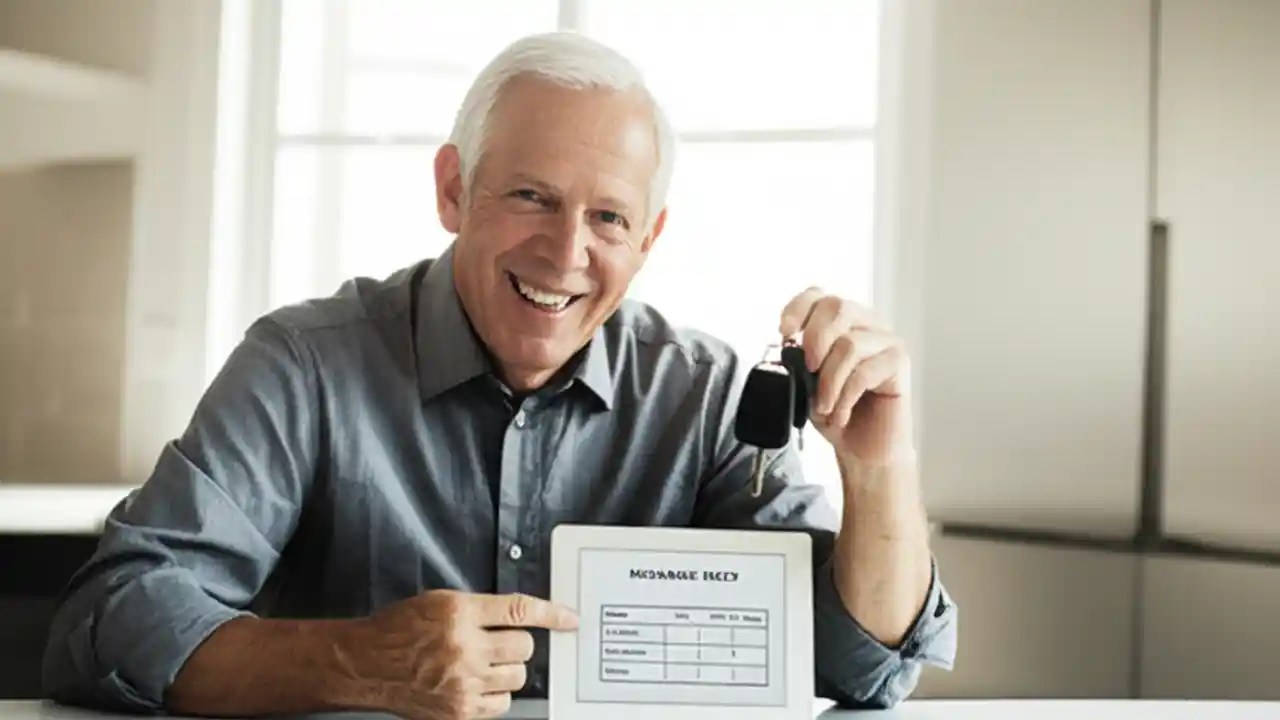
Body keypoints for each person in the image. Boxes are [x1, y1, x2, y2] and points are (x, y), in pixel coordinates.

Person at [42, 32, 956, 719]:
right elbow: (111, 623)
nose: (566, 254)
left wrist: (881, 468)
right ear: (452, 190)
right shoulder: (303, 366)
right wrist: (354, 661)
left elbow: (856, 665)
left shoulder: (708, 396)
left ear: (649, 238)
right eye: (530, 197)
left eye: (607, 217)